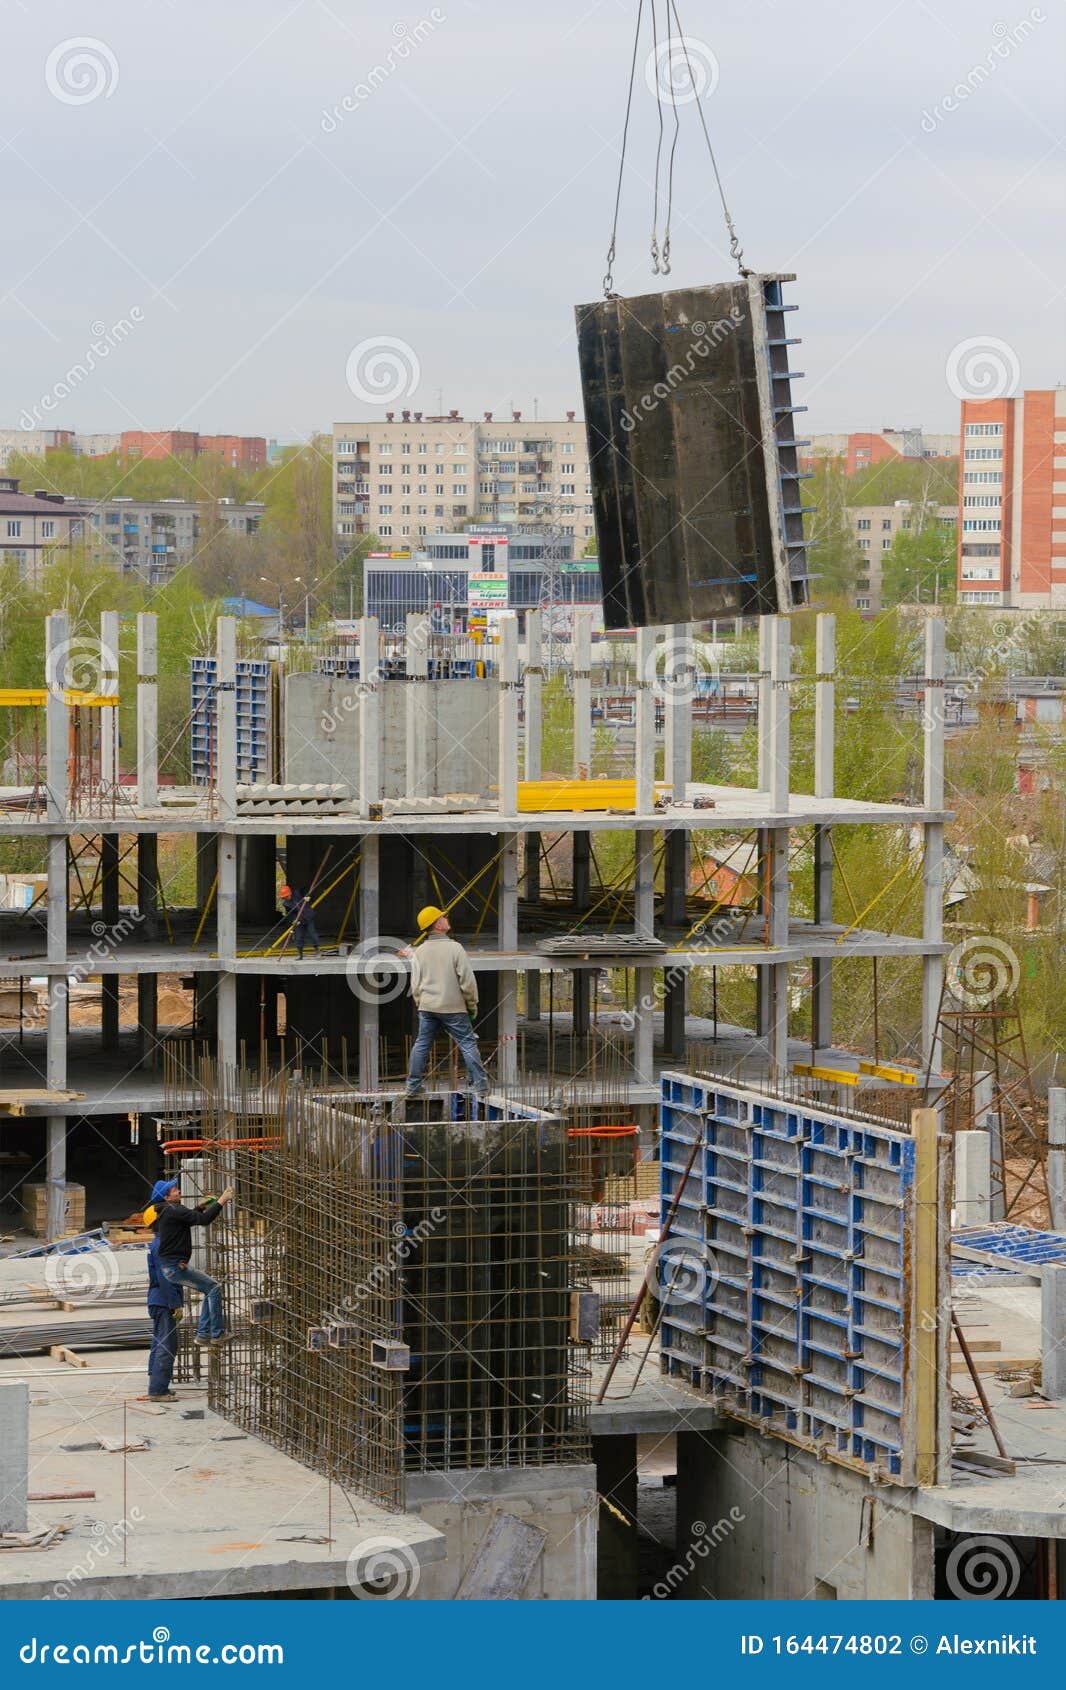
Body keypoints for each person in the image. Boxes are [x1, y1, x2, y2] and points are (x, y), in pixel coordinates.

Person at [404, 906, 489, 1098]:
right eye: (442, 917)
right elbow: (467, 981)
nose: (446, 918)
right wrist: (471, 1004)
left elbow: (415, 983)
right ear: (438, 925)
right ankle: (481, 1085)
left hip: (427, 1007)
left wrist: (421, 1003)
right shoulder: (455, 948)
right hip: (453, 1007)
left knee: (422, 1044)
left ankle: (413, 1086)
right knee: (467, 1043)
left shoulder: (421, 951)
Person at [152, 1177, 234, 1347]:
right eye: (174, 1190)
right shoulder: (174, 1210)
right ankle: (216, 1333)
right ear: (167, 1197)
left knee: (209, 1289)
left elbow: (189, 1218)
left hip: (172, 1265)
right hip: (175, 1266)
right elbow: (203, 1220)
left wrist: (202, 1206)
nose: (179, 1191)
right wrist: (221, 1201)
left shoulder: (167, 1211)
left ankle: (204, 1335)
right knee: (214, 1288)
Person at [145, 1208, 183, 1402]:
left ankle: (156, 1383)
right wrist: (175, 1303)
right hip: (163, 1301)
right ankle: (158, 1390)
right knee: (166, 1345)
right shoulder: (161, 1246)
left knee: (160, 1342)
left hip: (158, 1300)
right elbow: (165, 1277)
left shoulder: (159, 1243)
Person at [280, 883, 320, 960]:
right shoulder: (286, 904)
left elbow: (306, 889)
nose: (286, 898)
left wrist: (307, 896)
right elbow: (290, 914)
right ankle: (300, 954)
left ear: (290, 893)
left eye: (287, 896)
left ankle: (317, 950)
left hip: (308, 917)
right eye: (284, 897)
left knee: (312, 934)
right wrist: (293, 921)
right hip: (299, 920)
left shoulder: (297, 893)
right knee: (298, 937)